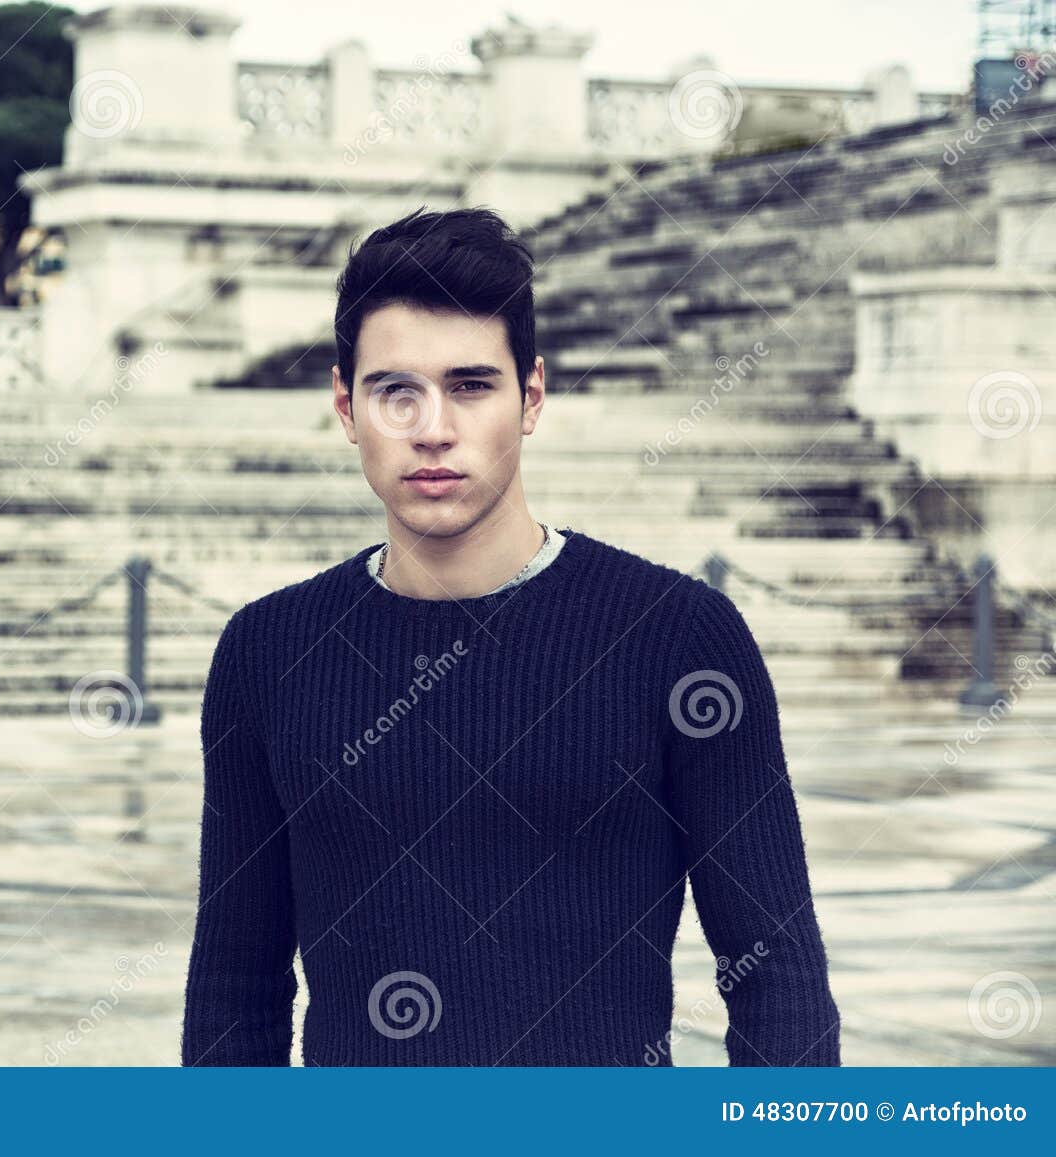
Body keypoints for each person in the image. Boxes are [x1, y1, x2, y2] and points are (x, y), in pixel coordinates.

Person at [180, 206, 840, 1066]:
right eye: (394, 391)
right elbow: (235, 986)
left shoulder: (676, 636)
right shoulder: (268, 651)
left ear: (530, 397)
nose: (433, 428)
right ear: (346, 407)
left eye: (470, 385)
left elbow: (776, 971)